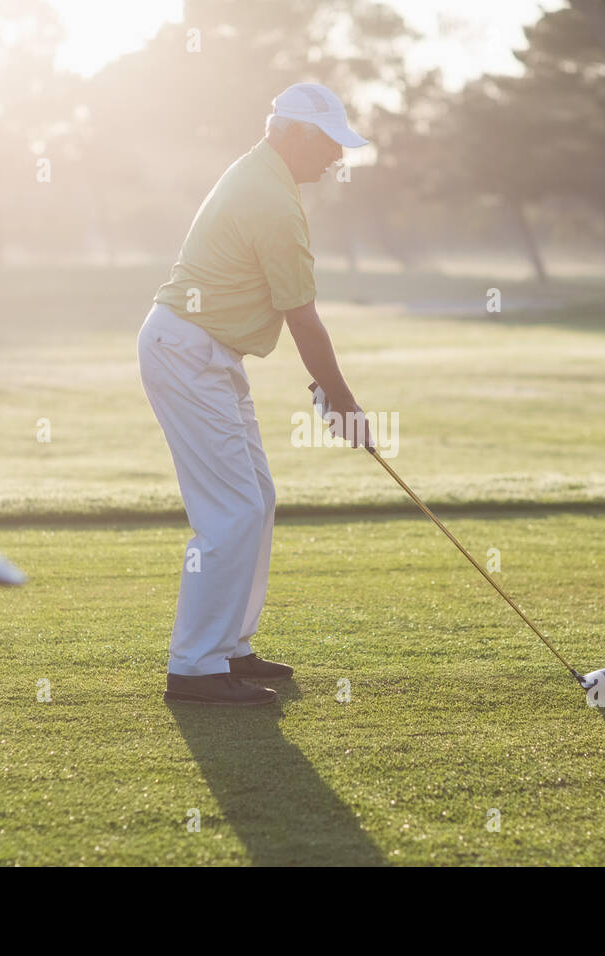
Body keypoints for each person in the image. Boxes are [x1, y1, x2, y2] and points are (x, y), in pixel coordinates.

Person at [138, 82, 371, 706]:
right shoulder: (270, 196)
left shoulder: (263, 176)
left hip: (207, 352)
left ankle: (230, 649)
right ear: (293, 133)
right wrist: (342, 400)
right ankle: (193, 668)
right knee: (232, 511)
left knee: (256, 498)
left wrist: (327, 387)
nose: (337, 157)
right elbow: (304, 319)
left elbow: (276, 303)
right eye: (328, 143)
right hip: (187, 352)